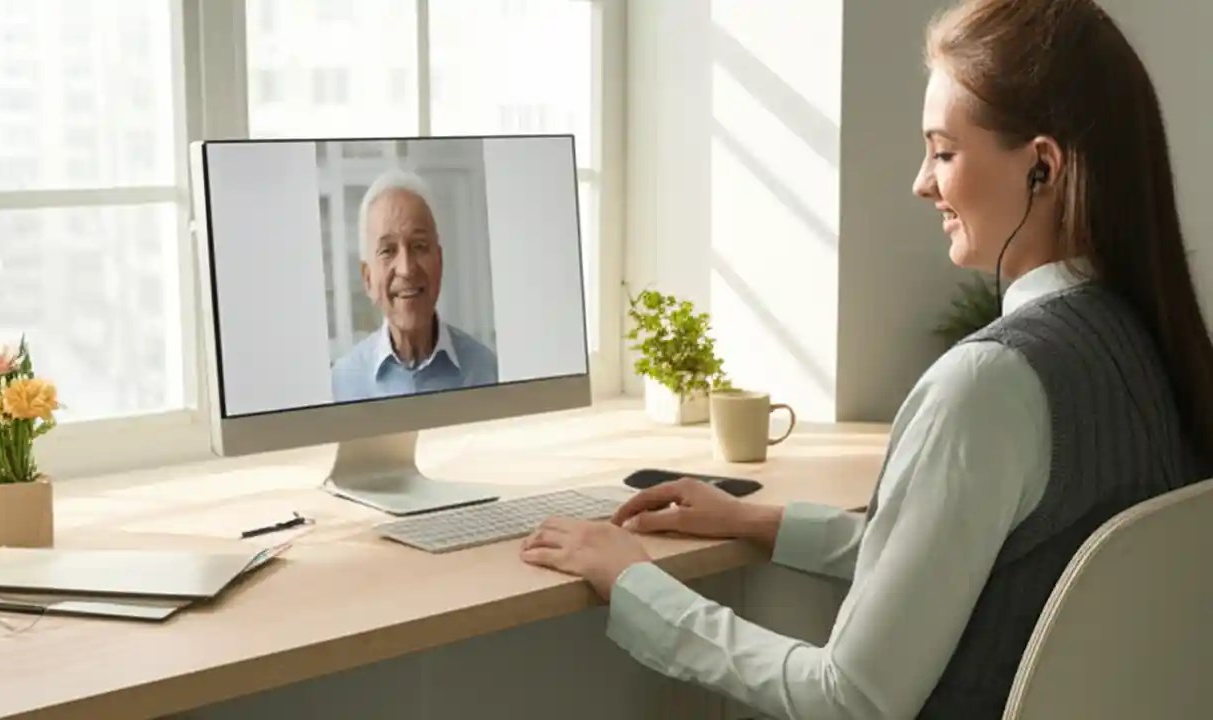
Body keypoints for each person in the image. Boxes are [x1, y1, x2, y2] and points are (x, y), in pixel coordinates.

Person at [519, 0, 1213, 717]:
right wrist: (760, 522)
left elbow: (850, 698)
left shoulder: (991, 385)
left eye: (944, 151)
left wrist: (635, 584)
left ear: (1042, 168)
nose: (922, 182)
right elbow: (973, 557)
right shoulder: (1152, 343)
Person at [331, 168, 498, 402]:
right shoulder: (343, 382)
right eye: (387, 250)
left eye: (419, 246)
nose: (406, 269)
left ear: (439, 262)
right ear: (367, 278)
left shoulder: (487, 370)